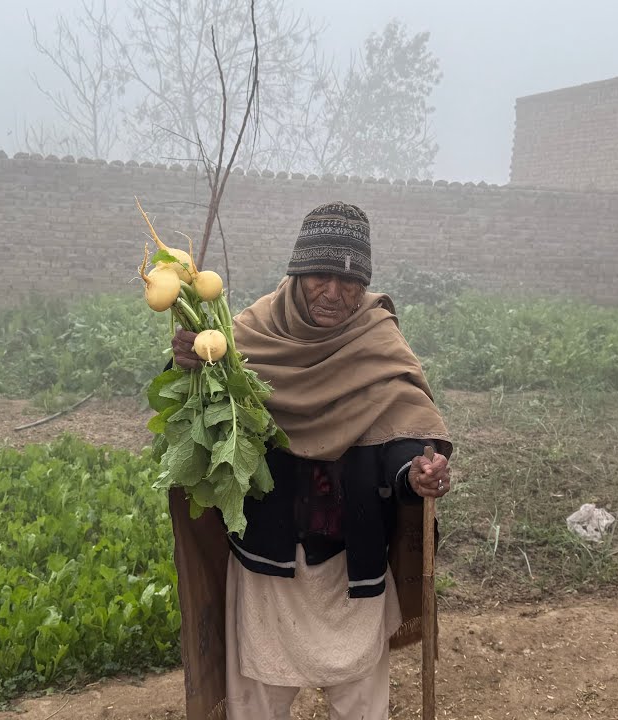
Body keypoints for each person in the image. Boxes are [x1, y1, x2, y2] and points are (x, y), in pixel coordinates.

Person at [167, 201, 453, 720]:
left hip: (352, 562)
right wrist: (189, 363)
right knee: (257, 702)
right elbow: (209, 402)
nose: (334, 294)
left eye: (350, 283)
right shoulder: (248, 334)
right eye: (321, 276)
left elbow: (405, 425)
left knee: (362, 705)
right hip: (268, 562)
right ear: (298, 273)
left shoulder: (376, 339)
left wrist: (417, 472)